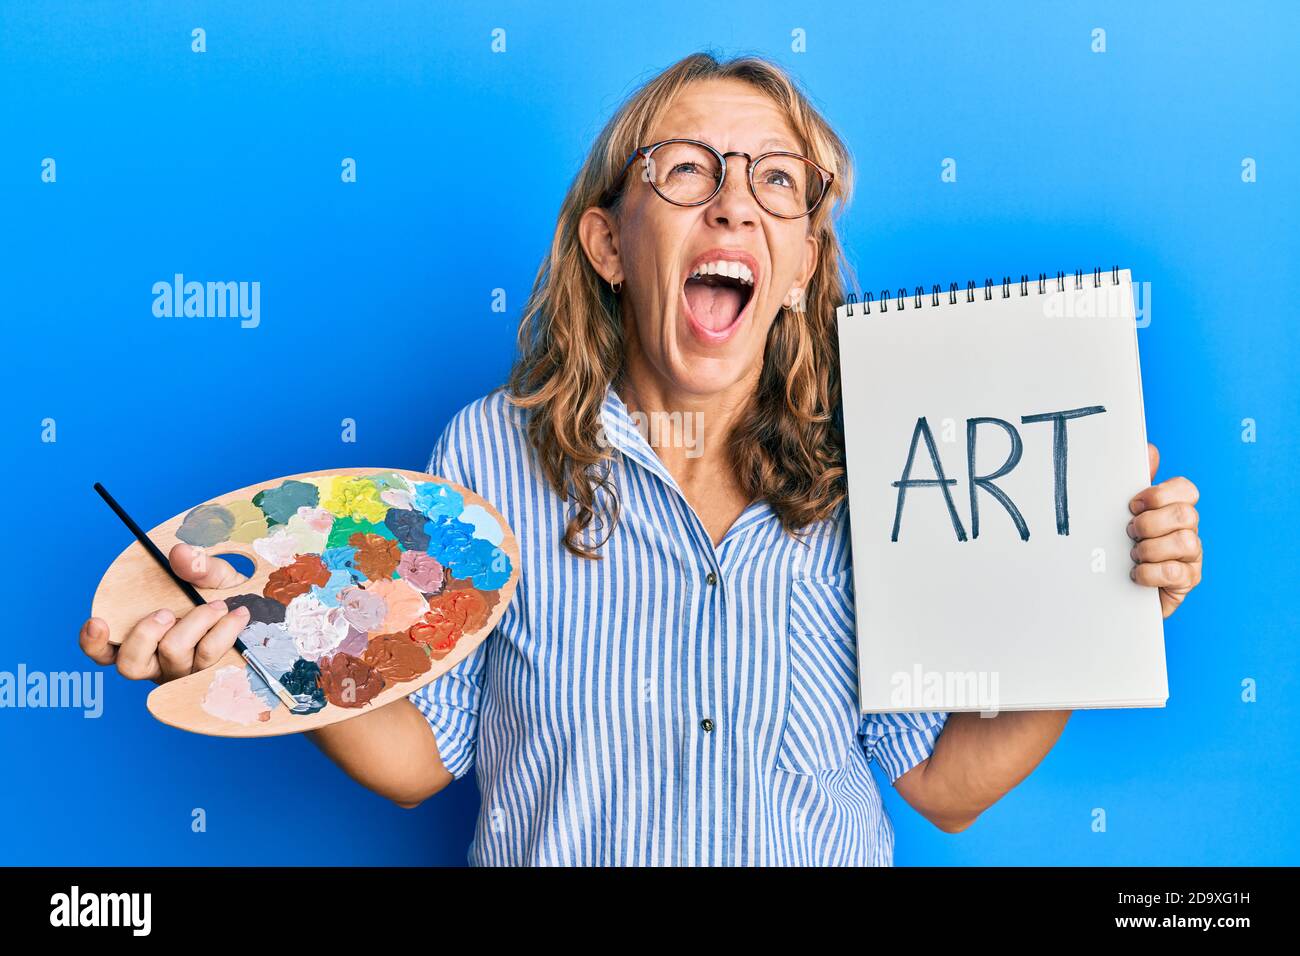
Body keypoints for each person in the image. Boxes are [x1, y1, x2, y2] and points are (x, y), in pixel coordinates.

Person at [78, 52, 1203, 865]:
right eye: (686, 172)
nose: (734, 202)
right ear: (610, 242)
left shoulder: (883, 470)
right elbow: (423, 756)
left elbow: (946, 786)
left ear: (805, 258)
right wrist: (263, 658)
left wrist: (1097, 606)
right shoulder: (490, 450)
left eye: (777, 181)